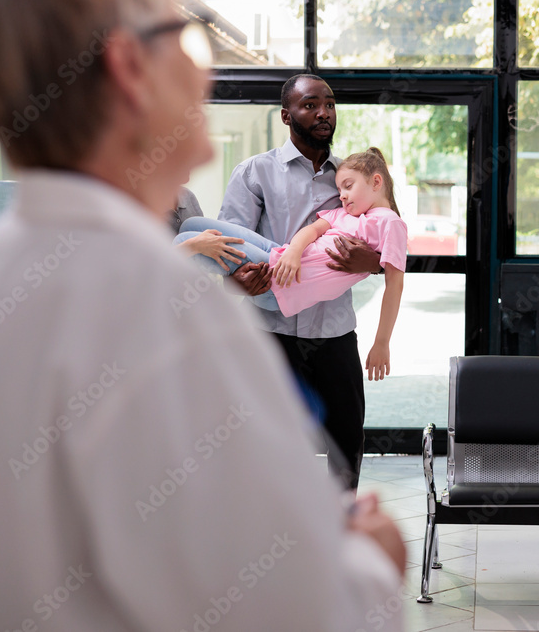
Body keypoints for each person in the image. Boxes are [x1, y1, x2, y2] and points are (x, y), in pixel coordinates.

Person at [0, 0, 406, 630]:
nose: (206, 71)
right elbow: (291, 607)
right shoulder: (169, 313)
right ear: (130, 67)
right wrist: (371, 559)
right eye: (190, 39)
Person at [218, 74, 383, 490]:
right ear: (286, 115)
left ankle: (340, 540)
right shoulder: (254, 173)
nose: (323, 113)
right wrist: (240, 280)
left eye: (329, 104)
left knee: (346, 441)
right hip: (269, 333)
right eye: (310, 105)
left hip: (334, 332)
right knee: (266, 443)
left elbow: (387, 237)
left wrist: (374, 262)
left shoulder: (351, 175)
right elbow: (227, 253)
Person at [176, 148, 407, 379]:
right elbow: (312, 230)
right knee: (192, 224)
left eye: (348, 186)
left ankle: (164, 266)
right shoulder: (344, 215)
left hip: (277, 283)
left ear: (376, 181)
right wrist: (294, 252)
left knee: (185, 241)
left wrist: (382, 343)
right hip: (277, 254)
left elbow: (394, 285)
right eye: (339, 190)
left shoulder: (391, 224)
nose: (342, 195)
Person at [169, 186, 248, 271]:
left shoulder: (187, 196)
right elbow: (154, 263)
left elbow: (204, 252)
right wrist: (194, 246)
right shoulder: (153, 210)